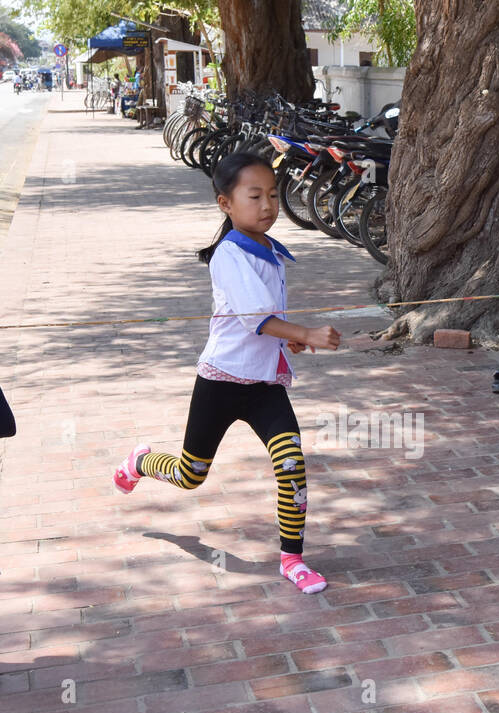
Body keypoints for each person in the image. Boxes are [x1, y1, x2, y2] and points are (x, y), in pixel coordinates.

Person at [111, 152, 341, 595]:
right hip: (220, 381)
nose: (268, 205)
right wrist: (307, 333)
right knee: (190, 474)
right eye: (254, 196)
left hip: (265, 386)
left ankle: (291, 559)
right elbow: (254, 314)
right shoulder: (228, 254)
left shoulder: (271, 251)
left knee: (291, 466)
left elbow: (268, 319)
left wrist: (289, 339)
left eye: (274, 194)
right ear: (225, 203)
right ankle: (141, 461)